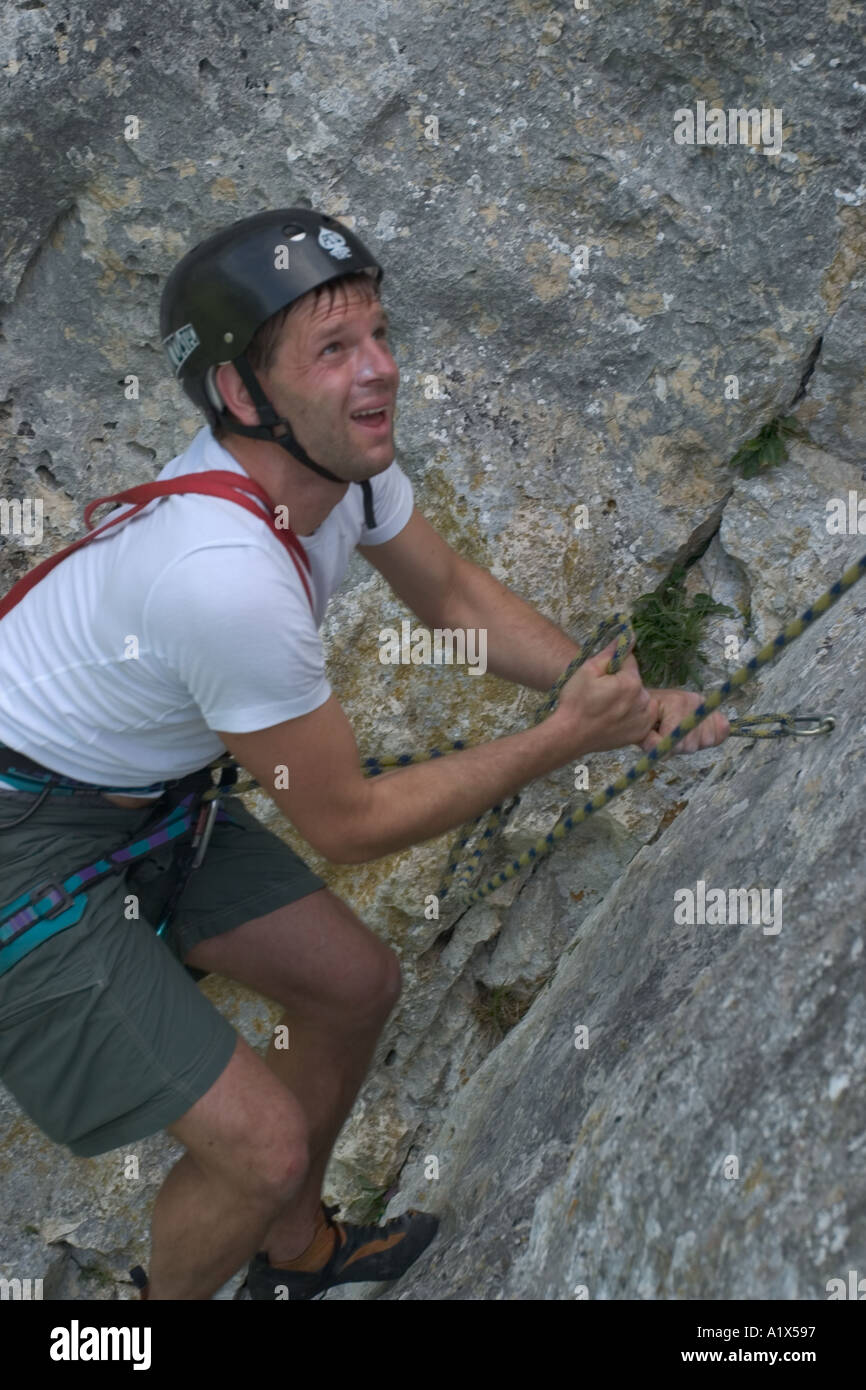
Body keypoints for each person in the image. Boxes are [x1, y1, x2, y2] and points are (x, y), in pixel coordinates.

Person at [0, 207, 730, 1302]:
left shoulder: (346, 470)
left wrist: (606, 690)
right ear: (243, 395)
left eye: (379, 336)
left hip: (138, 795)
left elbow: (450, 595)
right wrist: (558, 741)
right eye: (334, 351)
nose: (379, 371)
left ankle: (297, 1264)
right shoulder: (221, 573)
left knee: (353, 983)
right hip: (24, 838)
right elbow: (345, 824)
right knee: (263, 1148)